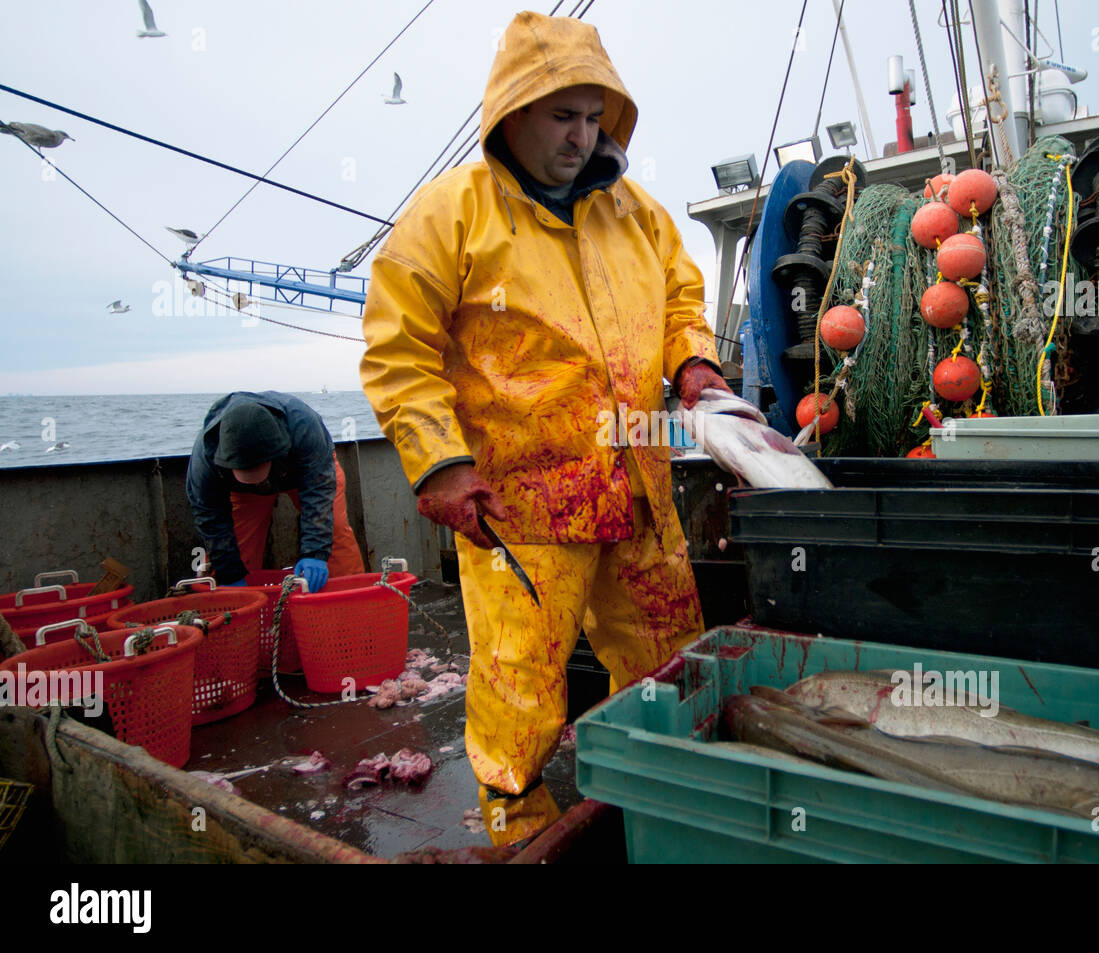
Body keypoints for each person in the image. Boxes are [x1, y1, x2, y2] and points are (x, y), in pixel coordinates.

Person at [359, 10, 731, 846]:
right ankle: (519, 827)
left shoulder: (636, 213)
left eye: (595, 116)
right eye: (563, 115)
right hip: (522, 508)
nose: (581, 134)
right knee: (520, 682)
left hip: (641, 492)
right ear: (513, 111)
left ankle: (682, 802)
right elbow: (397, 349)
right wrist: (440, 466)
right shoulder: (449, 213)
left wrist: (695, 363)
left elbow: (680, 297)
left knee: (673, 662)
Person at [186, 391, 365, 593]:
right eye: (246, 472)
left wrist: (315, 553)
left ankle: (350, 597)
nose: (257, 481)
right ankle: (234, 609)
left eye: (257, 471)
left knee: (334, 533)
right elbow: (210, 515)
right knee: (233, 552)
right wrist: (229, 574)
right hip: (239, 491)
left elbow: (319, 489)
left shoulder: (304, 426)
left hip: (306, 473)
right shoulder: (205, 459)